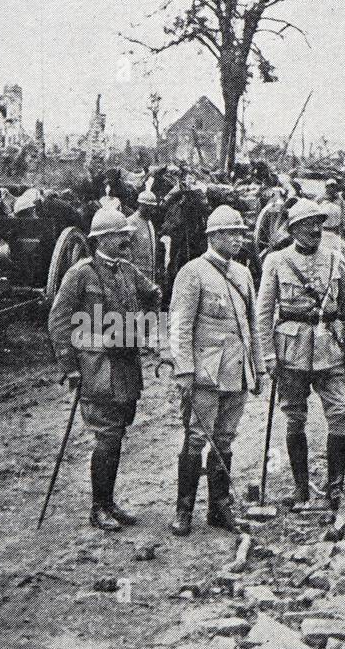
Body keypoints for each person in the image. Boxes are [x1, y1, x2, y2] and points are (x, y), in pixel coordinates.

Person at [48, 208, 162, 531]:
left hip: (126, 366)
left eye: (126, 235)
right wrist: (70, 367)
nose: (126, 240)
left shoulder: (127, 270)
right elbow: (58, 321)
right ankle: (98, 508)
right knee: (107, 436)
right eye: (119, 236)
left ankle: (109, 503)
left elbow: (153, 294)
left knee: (118, 432)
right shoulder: (81, 273)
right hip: (97, 368)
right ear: (102, 239)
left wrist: (147, 327)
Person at [256, 200, 345, 511]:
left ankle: (335, 489)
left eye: (318, 223)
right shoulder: (276, 262)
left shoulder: (334, 259)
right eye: (307, 224)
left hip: (330, 350)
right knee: (294, 417)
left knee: (338, 415)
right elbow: (264, 313)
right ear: (293, 229)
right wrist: (267, 355)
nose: (314, 229)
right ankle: (300, 489)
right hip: (290, 352)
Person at [166, 205, 265, 536]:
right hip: (205, 373)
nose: (238, 240)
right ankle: (184, 511)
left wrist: (259, 369)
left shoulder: (243, 274)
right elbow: (179, 326)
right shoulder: (192, 273)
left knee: (224, 439)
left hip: (237, 372)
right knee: (196, 438)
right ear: (214, 236)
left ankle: (219, 509)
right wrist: (183, 370)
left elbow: (253, 326)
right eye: (231, 234)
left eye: (240, 234)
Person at [127, 190, 164, 288]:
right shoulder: (131, 222)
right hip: (136, 275)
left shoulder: (149, 223)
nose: (151, 210)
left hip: (149, 275)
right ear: (141, 205)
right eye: (148, 207)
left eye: (152, 207)